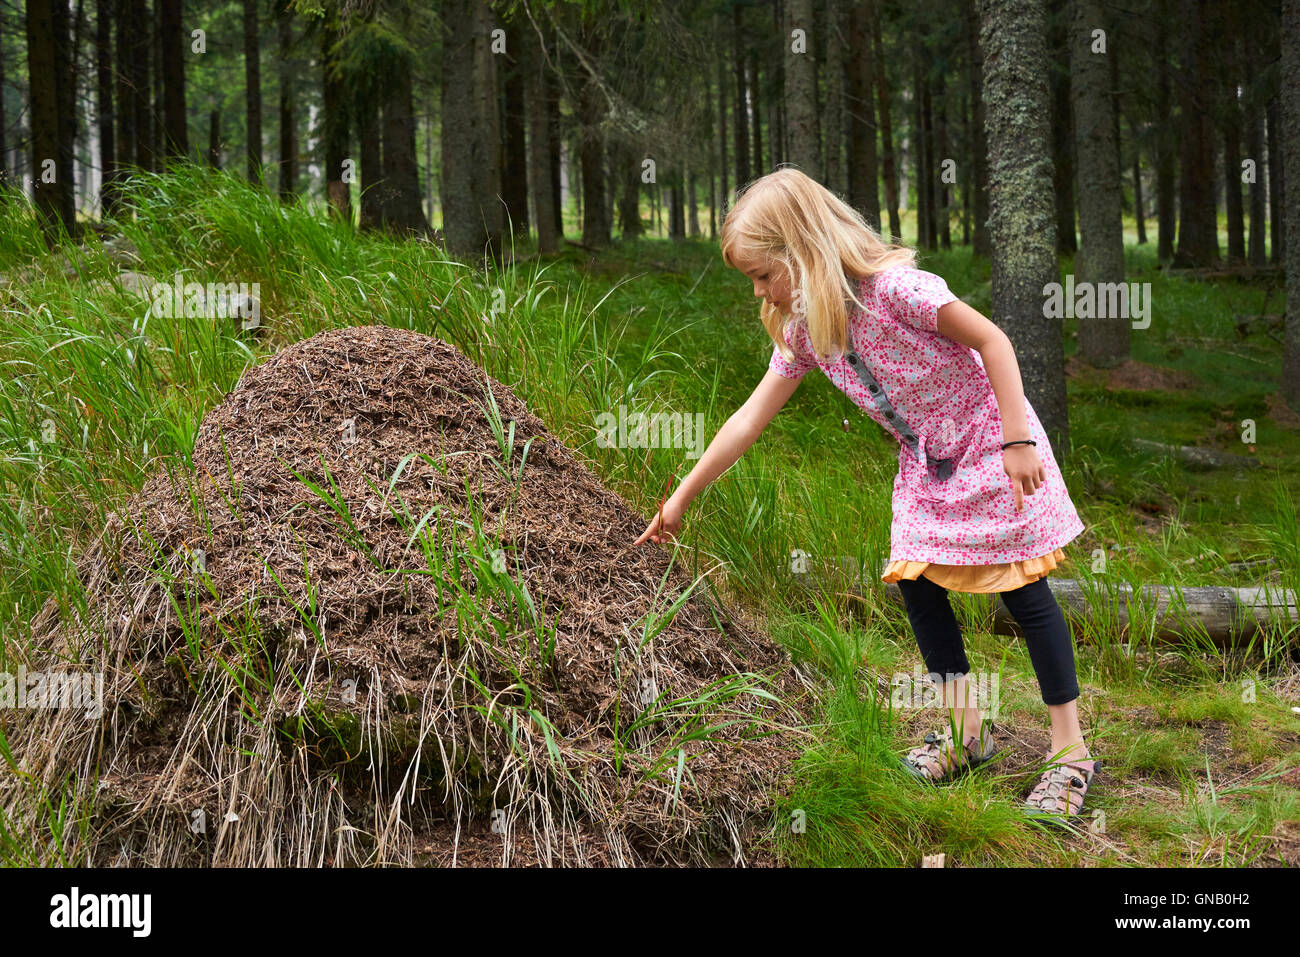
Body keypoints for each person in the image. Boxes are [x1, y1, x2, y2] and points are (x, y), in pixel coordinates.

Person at [633, 167, 1098, 820]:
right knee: (916, 581)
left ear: (801, 248)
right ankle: (967, 731)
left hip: (992, 440)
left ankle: (1069, 751)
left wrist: (1018, 439)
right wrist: (680, 497)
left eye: (764, 273)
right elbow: (747, 418)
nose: (760, 290)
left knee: (1024, 589)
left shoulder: (897, 290)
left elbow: (995, 340)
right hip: (926, 463)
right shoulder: (805, 328)